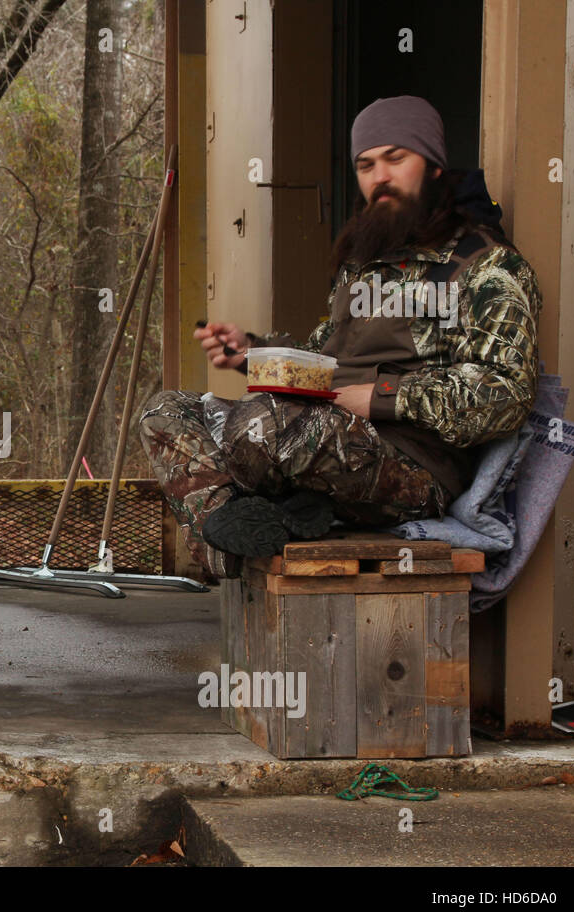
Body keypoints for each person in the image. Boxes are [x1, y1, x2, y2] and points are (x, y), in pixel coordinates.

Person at [140, 95, 541, 581]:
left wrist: (381, 398)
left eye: (397, 158)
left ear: (434, 166)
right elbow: (323, 362)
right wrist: (253, 355)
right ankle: (241, 532)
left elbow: (505, 393)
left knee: (264, 426)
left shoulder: (487, 266)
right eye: (367, 165)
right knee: (165, 412)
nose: (380, 177)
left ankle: (266, 512)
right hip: (318, 430)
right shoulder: (364, 262)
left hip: (413, 462)